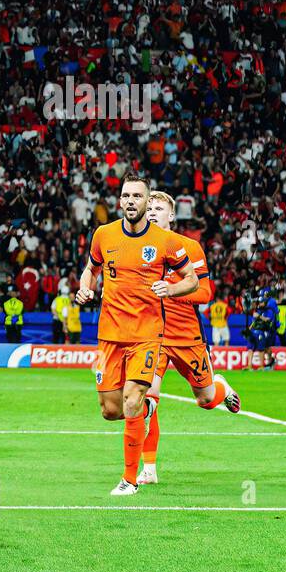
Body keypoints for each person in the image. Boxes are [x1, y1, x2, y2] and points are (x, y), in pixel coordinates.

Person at [75, 179, 201, 496]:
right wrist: (85, 286)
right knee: (110, 410)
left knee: (132, 399)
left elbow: (193, 280)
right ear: (120, 201)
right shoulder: (103, 235)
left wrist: (170, 289)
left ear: (147, 201)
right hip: (109, 335)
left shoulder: (166, 241)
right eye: (126, 195)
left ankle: (130, 479)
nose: (131, 200)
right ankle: (147, 411)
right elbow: (90, 268)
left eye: (137, 196)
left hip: (146, 334)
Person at [139, 191, 241, 485]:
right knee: (148, 400)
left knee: (206, 400)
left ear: (171, 215)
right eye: (150, 208)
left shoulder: (189, 247)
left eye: (160, 208)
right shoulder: (139, 249)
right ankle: (149, 469)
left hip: (187, 337)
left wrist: (172, 288)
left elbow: (205, 293)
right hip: (152, 336)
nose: (154, 212)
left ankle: (220, 385)